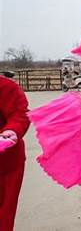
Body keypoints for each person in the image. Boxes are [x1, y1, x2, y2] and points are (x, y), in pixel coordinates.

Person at [0, 75, 30, 231]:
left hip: (5, 163)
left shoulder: (6, 87)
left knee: (4, 215)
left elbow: (20, 114)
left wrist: (11, 130)